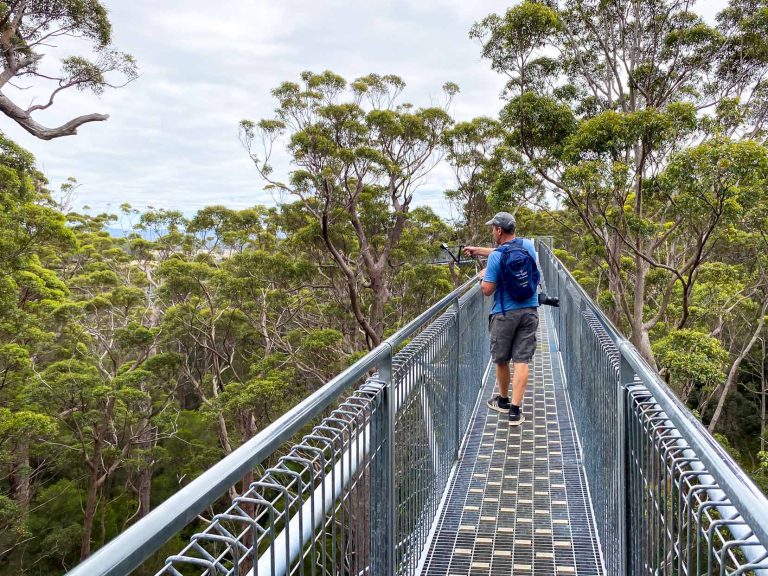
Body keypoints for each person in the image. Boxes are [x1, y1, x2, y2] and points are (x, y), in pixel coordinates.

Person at [464, 212, 540, 425]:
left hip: (504, 313)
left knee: (502, 359)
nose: (492, 232)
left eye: (493, 228)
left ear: (499, 230)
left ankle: (503, 401)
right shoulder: (528, 246)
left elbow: (487, 290)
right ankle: (515, 412)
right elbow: (507, 252)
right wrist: (479, 251)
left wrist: (483, 277)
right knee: (522, 361)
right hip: (530, 310)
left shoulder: (497, 257)